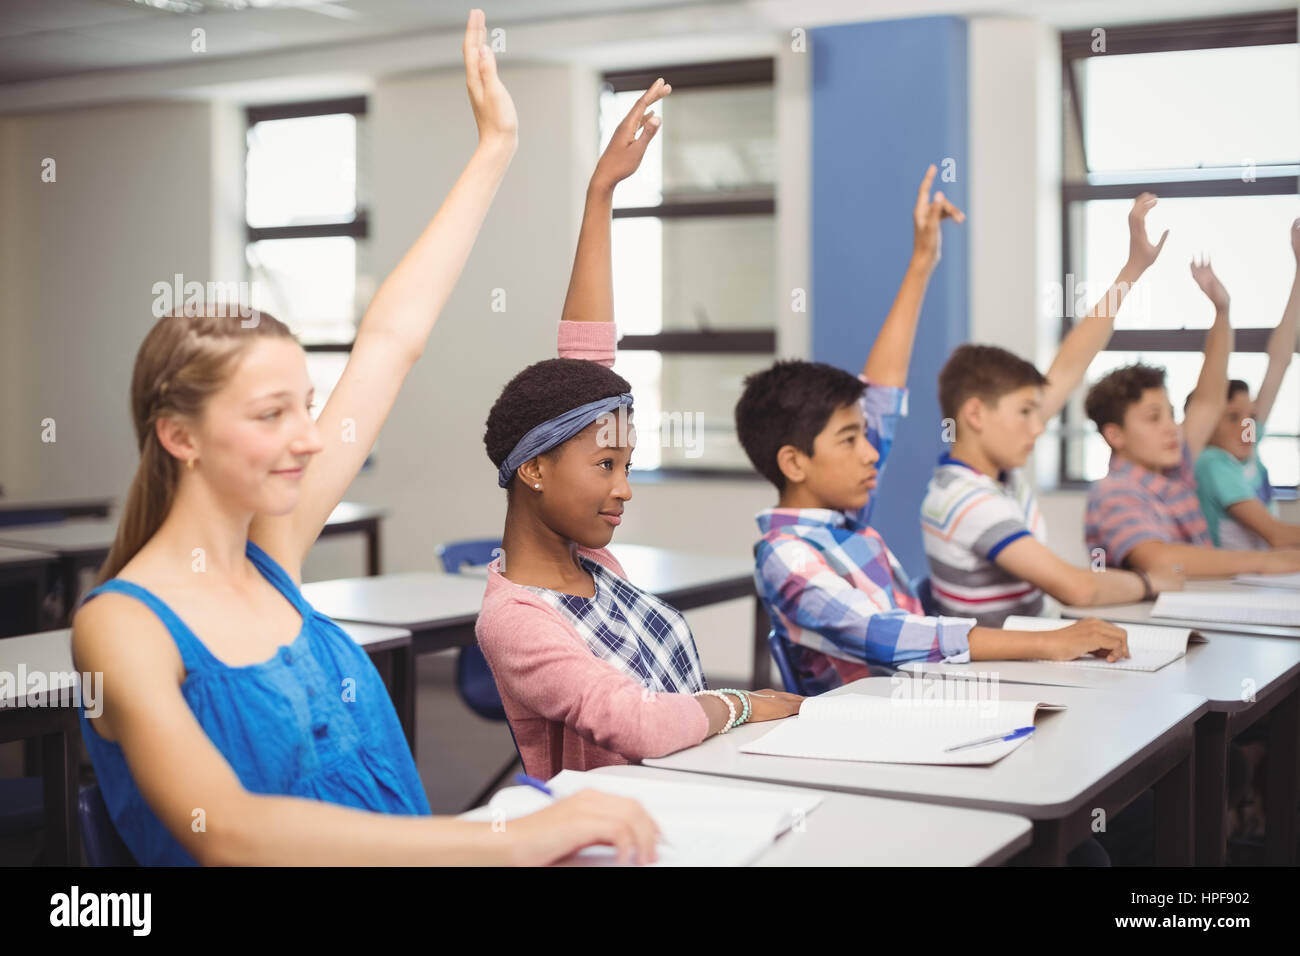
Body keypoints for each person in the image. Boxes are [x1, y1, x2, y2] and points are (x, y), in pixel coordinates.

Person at [70, 10, 661, 867]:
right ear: (178, 436)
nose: (309, 438)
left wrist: (495, 146)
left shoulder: (270, 553)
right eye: (271, 414)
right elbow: (228, 831)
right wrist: (499, 837)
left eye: (307, 406)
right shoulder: (122, 627)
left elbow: (391, 340)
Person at [475, 79, 803, 778]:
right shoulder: (516, 620)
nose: (624, 488)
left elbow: (585, 374)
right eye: (606, 466)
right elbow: (642, 725)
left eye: (627, 465)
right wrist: (741, 704)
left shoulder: (591, 565)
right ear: (533, 468)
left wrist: (602, 195)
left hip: (701, 790)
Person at [735, 168, 1130, 697]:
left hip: (925, 700)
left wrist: (923, 262)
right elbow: (888, 635)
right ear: (794, 463)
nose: (870, 452)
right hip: (876, 732)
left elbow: (880, 392)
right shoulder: (786, 554)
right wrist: (1048, 641)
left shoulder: (842, 522)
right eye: (850, 441)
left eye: (863, 436)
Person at [922, 194, 1182, 626]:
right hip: (1004, 683)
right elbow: (1077, 587)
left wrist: (1133, 268)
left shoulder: (993, 476)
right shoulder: (963, 499)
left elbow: (1069, 365)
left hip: (1033, 651)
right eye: (1025, 412)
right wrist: (1152, 581)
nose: (1037, 426)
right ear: (975, 414)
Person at [1084, 255, 1300, 578]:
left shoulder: (1175, 470)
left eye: (1171, 415)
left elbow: (1209, 400)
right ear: (1115, 435)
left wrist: (1222, 311)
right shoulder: (1113, 492)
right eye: (1153, 418)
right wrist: (1271, 562)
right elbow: (1159, 559)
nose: (1171, 427)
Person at [1193, 219, 1300, 549]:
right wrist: (1222, 311)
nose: (1246, 426)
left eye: (1249, 415)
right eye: (1232, 417)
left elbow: (1280, 359)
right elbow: (1277, 535)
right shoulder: (1214, 463)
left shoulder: (1246, 445)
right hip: (1235, 589)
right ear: (1206, 426)